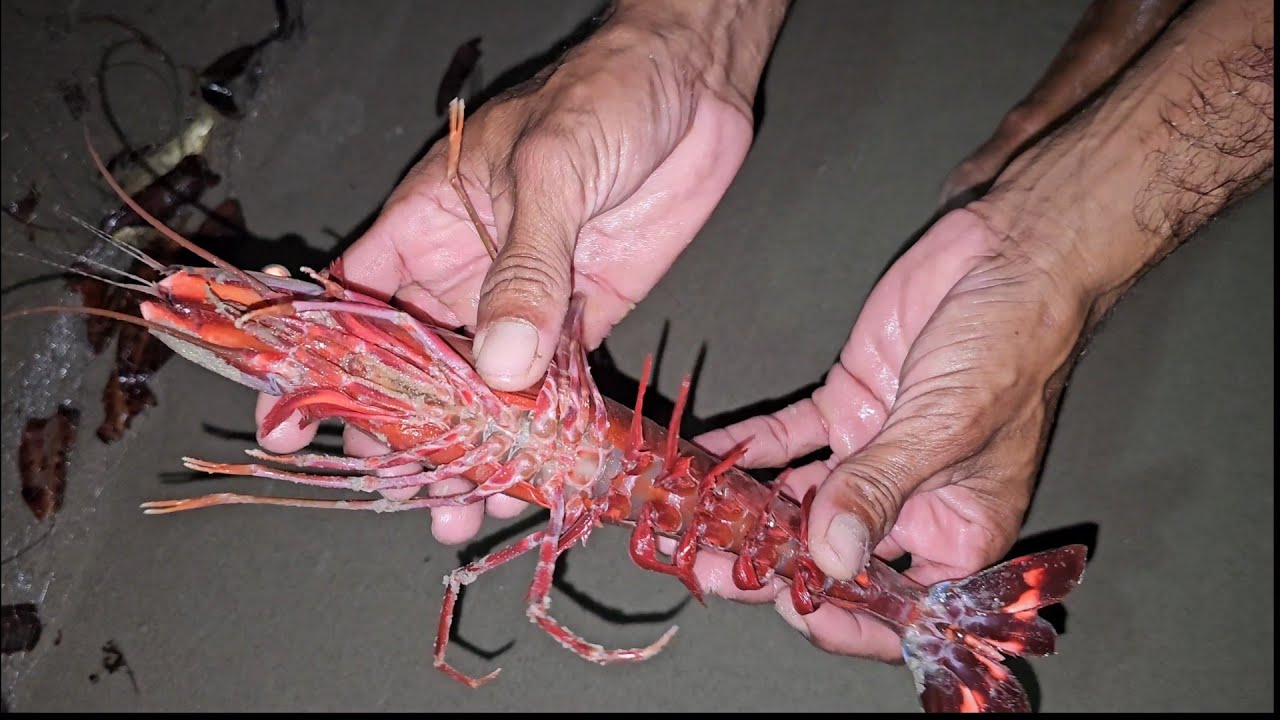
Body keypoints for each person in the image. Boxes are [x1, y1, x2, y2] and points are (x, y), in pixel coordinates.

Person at [253, 0, 1273, 663]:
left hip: (683, 499)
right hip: (653, 487)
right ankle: (1059, 114)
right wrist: (685, 32)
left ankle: (1067, 111)